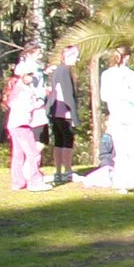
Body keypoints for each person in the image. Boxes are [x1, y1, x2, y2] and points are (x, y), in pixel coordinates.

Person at [98, 47, 134, 194]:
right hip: (130, 114)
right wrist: (126, 93)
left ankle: (122, 184)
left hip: (117, 114)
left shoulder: (106, 74)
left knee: (120, 149)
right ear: (126, 57)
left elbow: (104, 96)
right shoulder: (130, 74)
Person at [6, 52, 50, 191]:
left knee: (18, 154)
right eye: (30, 75)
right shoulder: (24, 91)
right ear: (24, 76)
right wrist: (39, 103)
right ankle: (34, 182)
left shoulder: (16, 89)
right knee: (33, 153)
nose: (32, 77)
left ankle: (18, 182)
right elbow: (27, 107)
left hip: (14, 124)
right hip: (22, 125)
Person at [47, 44, 82, 185]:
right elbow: (67, 95)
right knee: (67, 140)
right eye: (75, 56)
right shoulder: (65, 71)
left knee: (59, 141)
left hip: (55, 111)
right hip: (64, 111)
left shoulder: (58, 70)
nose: (77, 59)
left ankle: (58, 172)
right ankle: (67, 171)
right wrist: (74, 116)